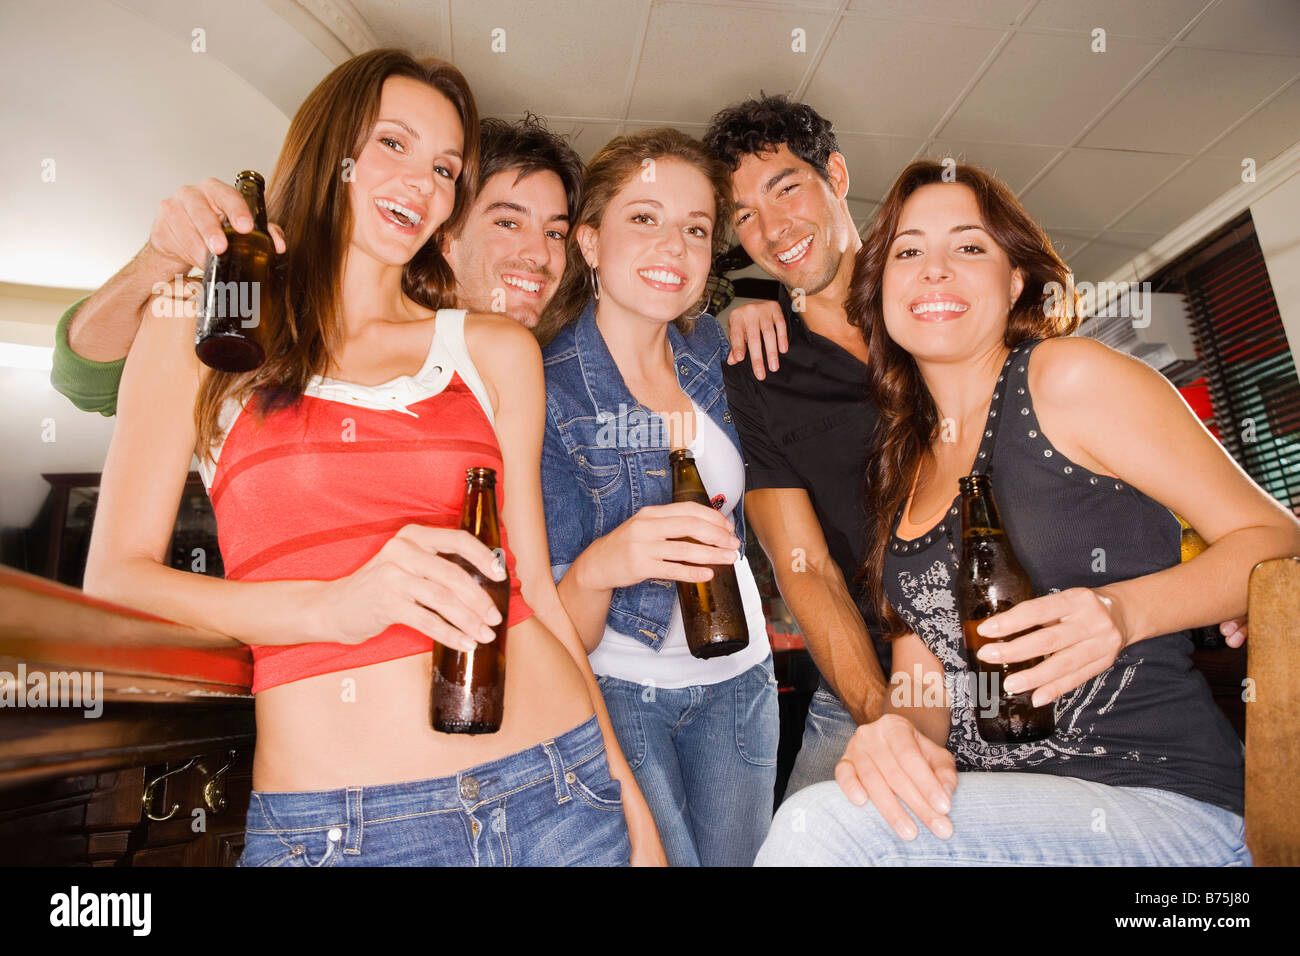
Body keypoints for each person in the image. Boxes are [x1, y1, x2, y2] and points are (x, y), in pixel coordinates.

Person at [80, 49, 662, 866]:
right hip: (339, 834)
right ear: (332, 152)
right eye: (393, 144)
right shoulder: (210, 327)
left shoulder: (490, 349)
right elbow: (116, 578)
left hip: (562, 794)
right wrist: (333, 608)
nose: (422, 183)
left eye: (446, 168)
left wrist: (630, 804)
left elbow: (534, 590)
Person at [702, 95, 1249, 802]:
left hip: (1074, 684)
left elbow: (1108, 469)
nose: (772, 229)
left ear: (835, 175)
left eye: (786, 188)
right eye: (743, 215)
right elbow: (804, 570)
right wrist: (888, 717)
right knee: (819, 826)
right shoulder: (761, 368)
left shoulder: (958, 325)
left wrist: (1218, 570)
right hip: (883, 677)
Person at [755, 160, 1300, 866]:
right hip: (1001, 810)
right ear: (881, 288)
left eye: (970, 247)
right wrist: (895, 738)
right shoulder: (902, 464)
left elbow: (1276, 538)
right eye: (909, 251)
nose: (935, 270)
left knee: (819, 830)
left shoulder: (1066, 377)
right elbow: (925, 673)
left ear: (1015, 280)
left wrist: (1122, 611)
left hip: (1168, 807)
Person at [535, 128, 780, 867]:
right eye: (643, 218)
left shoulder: (715, 352)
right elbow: (556, 633)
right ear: (588, 242)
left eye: (695, 228)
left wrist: (759, 298)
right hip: (621, 693)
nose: (672, 246)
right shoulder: (546, 390)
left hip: (743, 682)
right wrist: (606, 562)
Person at [50, 115, 582, 414]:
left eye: (556, 231)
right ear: (441, 232)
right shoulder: (292, 320)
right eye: (507, 223)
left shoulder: (556, 372)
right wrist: (156, 262)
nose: (540, 255)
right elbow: (85, 378)